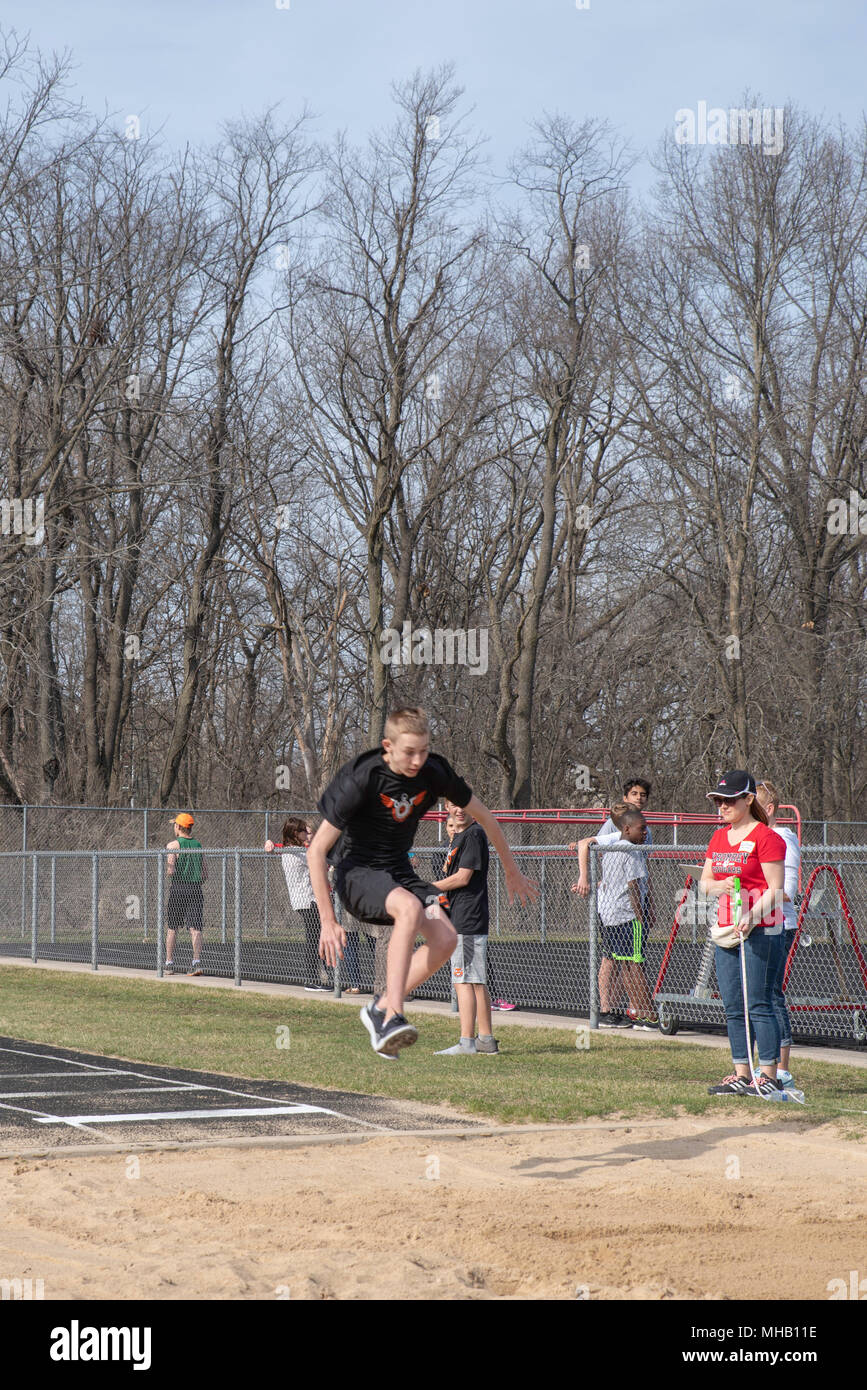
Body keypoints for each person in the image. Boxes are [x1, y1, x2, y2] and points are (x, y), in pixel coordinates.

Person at [307, 706, 539, 1057]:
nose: (417, 760)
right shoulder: (362, 777)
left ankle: (379, 1008)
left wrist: (511, 870)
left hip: (399, 871)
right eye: (409, 752)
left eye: (424, 750)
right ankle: (393, 1015)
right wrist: (328, 920)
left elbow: (486, 818)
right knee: (409, 908)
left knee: (446, 939)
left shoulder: (435, 773)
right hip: (357, 872)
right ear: (388, 746)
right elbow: (316, 850)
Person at [701, 770, 787, 1097]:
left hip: (761, 927)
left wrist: (752, 916)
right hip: (727, 928)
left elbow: (776, 890)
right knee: (734, 1005)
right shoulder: (719, 838)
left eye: (728, 800)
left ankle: (768, 1074)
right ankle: (741, 1072)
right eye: (718, 800)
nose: (721, 806)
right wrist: (716, 885)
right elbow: (705, 882)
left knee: (759, 1003)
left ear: (748, 799)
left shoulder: (767, 837)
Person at [572, 807, 658, 1028]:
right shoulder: (631, 851)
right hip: (627, 917)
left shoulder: (609, 850)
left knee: (627, 964)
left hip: (609, 916)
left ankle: (639, 1011)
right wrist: (641, 917)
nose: (645, 833)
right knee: (636, 965)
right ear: (627, 829)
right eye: (642, 829)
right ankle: (649, 1015)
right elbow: (633, 888)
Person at [431, 800, 498, 1055]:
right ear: (446, 806)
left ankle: (467, 1042)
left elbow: (463, 877)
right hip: (462, 917)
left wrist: (429, 887)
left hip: (468, 920)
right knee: (475, 981)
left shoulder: (473, 834)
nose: (459, 810)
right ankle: (485, 1040)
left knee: (465, 980)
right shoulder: (460, 836)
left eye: (464, 805)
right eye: (454, 805)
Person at [755, 779, 801, 1091]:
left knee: (771, 995)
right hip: (754, 921)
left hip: (778, 925)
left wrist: (758, 893)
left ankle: (781, 1069)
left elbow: (787, 890)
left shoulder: (783, 837)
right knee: (757, 995)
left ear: (769, 809)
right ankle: (764, 1063)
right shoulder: (752, 838)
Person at [265, 817, 330, 991]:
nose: (307, 834)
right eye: (304, 831)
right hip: (308, 900)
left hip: (307, 900)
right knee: (313, 939)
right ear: (296, 833)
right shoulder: (296, 852)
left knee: (316, 938)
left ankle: (321, 974)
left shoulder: (295, 850)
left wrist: (271, 844)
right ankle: (311, 979)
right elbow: (319, 859)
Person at [165, 813, 207, 976]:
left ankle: (169, 963)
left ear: (178, 827)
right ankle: (196, 962)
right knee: (195, 928)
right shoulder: (198, 845)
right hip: (195, 889)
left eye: (174, 825)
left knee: (172, 927)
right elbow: (205, 874)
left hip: (178, 888)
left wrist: (174, 871)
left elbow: (170, 870)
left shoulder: (173, 845)